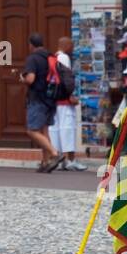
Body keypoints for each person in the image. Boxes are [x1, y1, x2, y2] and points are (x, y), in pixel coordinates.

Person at [20, 33, 64, 172]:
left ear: (31, 44)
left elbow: (31, 79)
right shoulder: (50, 56)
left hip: (38, 98)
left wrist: (23, 78)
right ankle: (46, 162)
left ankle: (54, 153)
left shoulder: (33, 58)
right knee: (44, 130)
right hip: (50, 99)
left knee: (32, 130)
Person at [48, 35, 87, 170]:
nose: (73, 49)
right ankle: (70, 159)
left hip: (54, 100)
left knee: (55, 129)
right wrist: (70, 96)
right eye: (71, 46)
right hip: (64, 100)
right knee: (68, 128)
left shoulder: (53, 58)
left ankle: (58, 157)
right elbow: (66, 78)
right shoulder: (64, 58)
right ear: (66, 46)